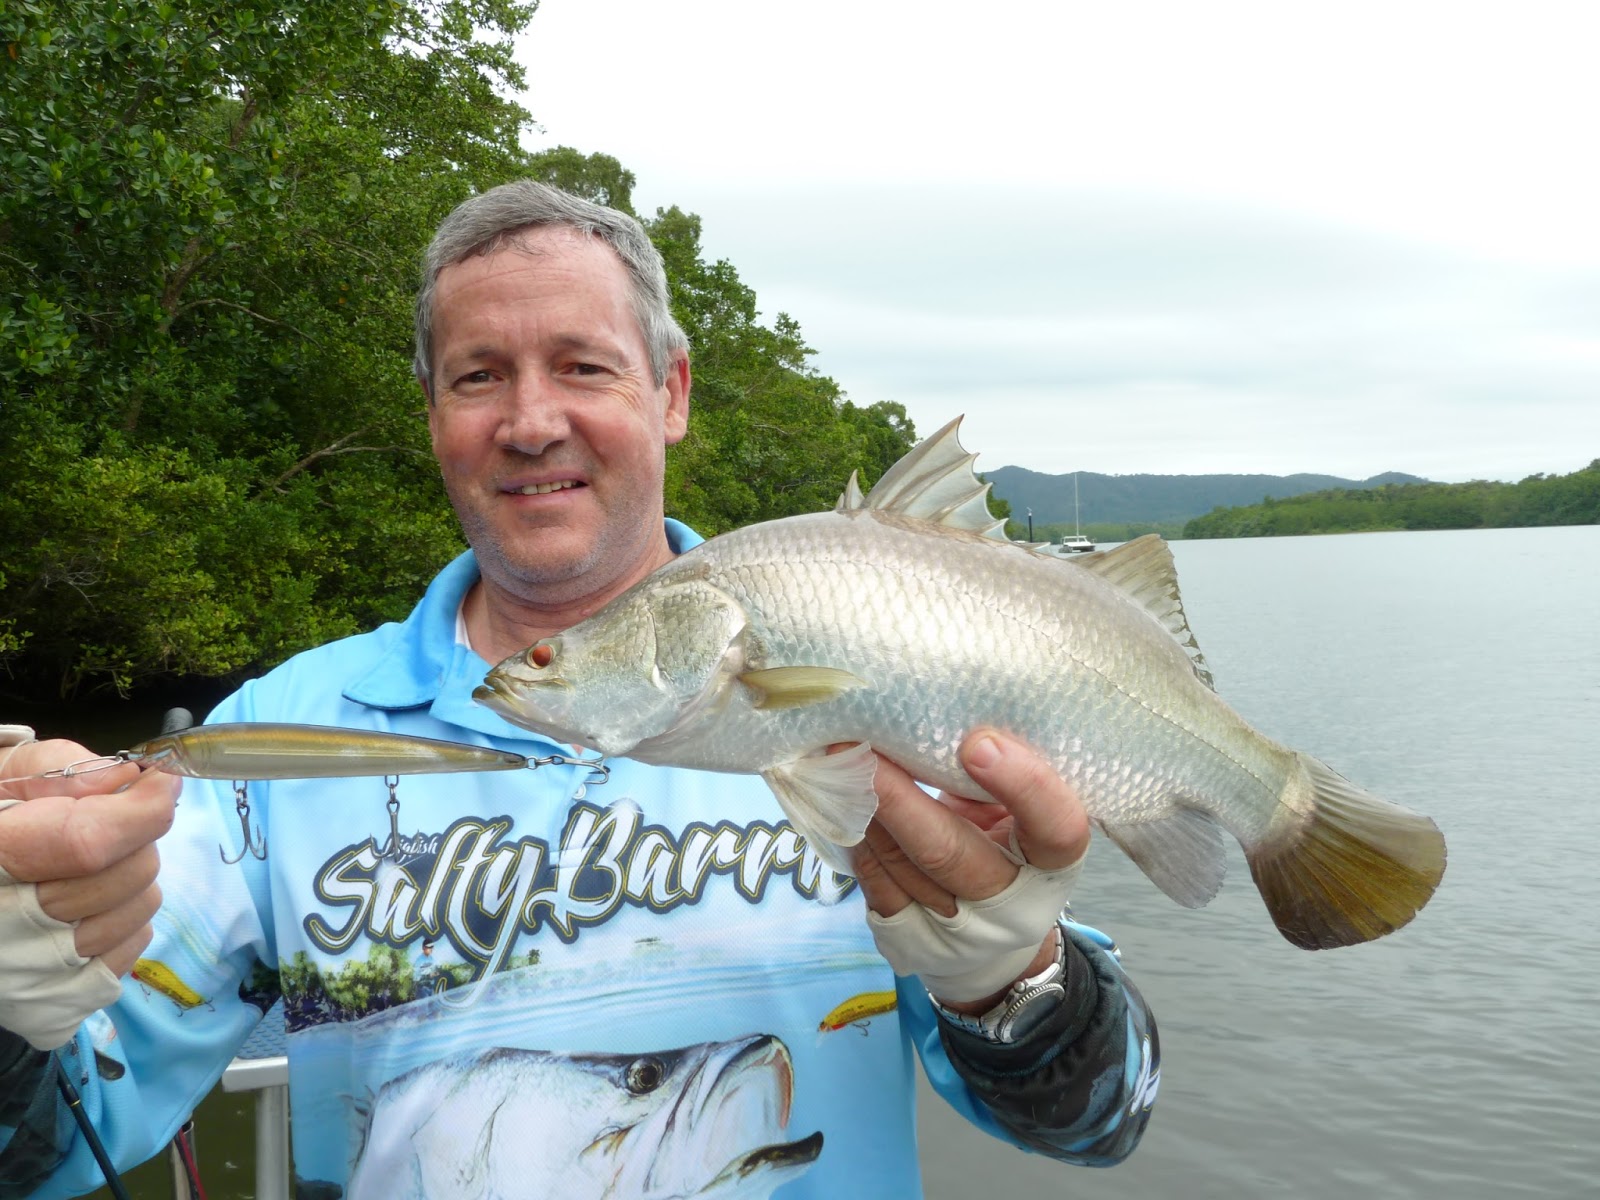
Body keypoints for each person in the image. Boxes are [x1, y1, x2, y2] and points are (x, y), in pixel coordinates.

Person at [0, 183, 1158, 1198]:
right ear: (434, 417)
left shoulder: (881, 689)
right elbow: (53, 1148)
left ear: (672, 393)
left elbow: (1104, 1123)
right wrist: (8, 1006)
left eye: (583, 365)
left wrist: (1018, 985)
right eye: (478, 376)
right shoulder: (273, 747)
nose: (531, 421)